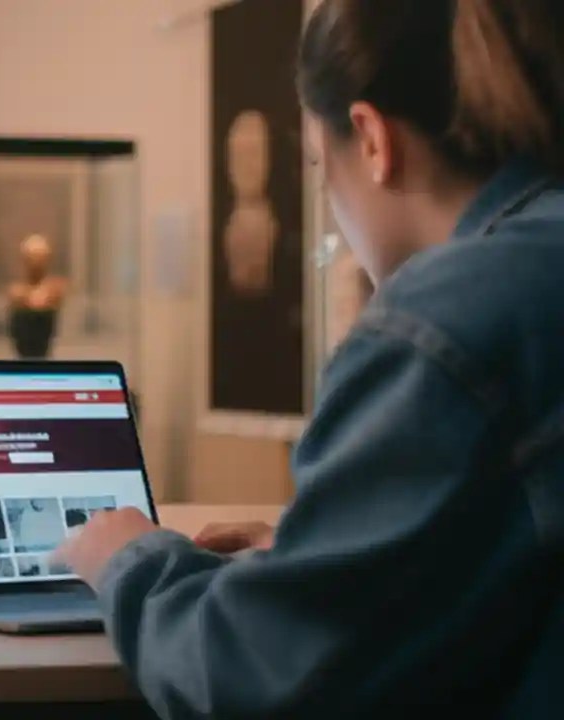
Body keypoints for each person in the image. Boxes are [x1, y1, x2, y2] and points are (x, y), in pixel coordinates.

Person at [55, 0, 564, 716]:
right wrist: (331, 555)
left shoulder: (447, 316)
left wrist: (124, 559)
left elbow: (256, 678)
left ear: (372, 140)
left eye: (321, 167)